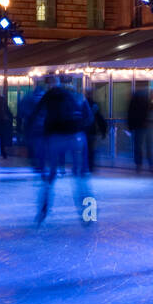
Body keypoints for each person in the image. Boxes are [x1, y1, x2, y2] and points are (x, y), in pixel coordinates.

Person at [32, 77, 93, 223]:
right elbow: (89, 116)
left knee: (51, 175)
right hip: (76, 136)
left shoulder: (49, 95)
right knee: (80, 176)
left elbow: (35, 114)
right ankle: (89, 214)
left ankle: (43, 210)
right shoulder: (74, 95)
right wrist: (81, 130)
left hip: (56, 138)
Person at [18, 78, 52, 174]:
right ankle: (40, 163)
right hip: (43, 127)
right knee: (41, 146)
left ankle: (36, 162)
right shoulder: (46, 98)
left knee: (34, 145)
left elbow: (22, 110)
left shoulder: (29, 98)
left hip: (32, 127)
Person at [127, 88, 153, 171]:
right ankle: (151, 164)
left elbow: (130, 114)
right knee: (149, 146)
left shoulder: (135, 101)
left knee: (138, 146)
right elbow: (151, 108)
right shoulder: (147, 101)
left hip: (139, 127)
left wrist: (131, 127)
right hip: (147, 126)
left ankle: (139, 164)